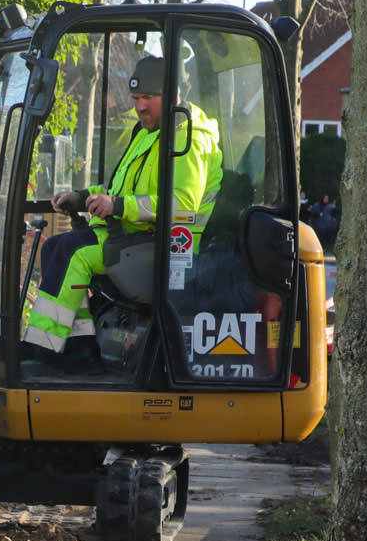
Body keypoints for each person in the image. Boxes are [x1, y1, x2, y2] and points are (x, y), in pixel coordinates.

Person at [24, 55, 223, 372]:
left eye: (148, 98)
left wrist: (117, 207)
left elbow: (182, 205)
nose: (140, 107)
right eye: (135, 99)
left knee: (74, 252)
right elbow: (119, 186)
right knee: (53, 247)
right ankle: (76, 350)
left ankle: (44, 351)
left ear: (171, 94)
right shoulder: (149, 131)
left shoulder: (189, 137)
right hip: (135, 236)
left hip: (170, 249)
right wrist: (82, 196)